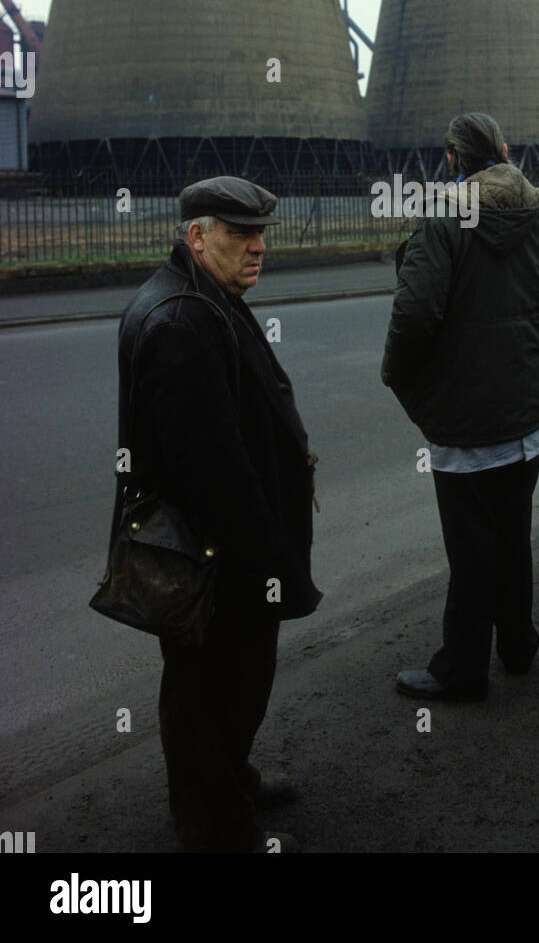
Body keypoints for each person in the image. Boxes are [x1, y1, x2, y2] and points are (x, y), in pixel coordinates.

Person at [115, 176, 321, 852]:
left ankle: (231, 781)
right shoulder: (180, 321)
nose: (257, 247)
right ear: (197, 236)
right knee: (209, 692)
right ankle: (214, 827)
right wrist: (268, 557)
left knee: (234, 684)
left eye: (262, 234)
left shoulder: (208, 297)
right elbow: (209, 472)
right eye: (240, 235)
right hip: (212, 559)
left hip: (229, 551)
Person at [381, 113, 539, 701]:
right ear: (506, 151)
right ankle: (518, 648)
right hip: (523, 417)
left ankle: (462, 672)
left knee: (470, 551)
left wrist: (398, 373)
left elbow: (415, 314)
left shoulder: (443, 217)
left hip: (466, 426)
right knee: (512, 537)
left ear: (449, 161)